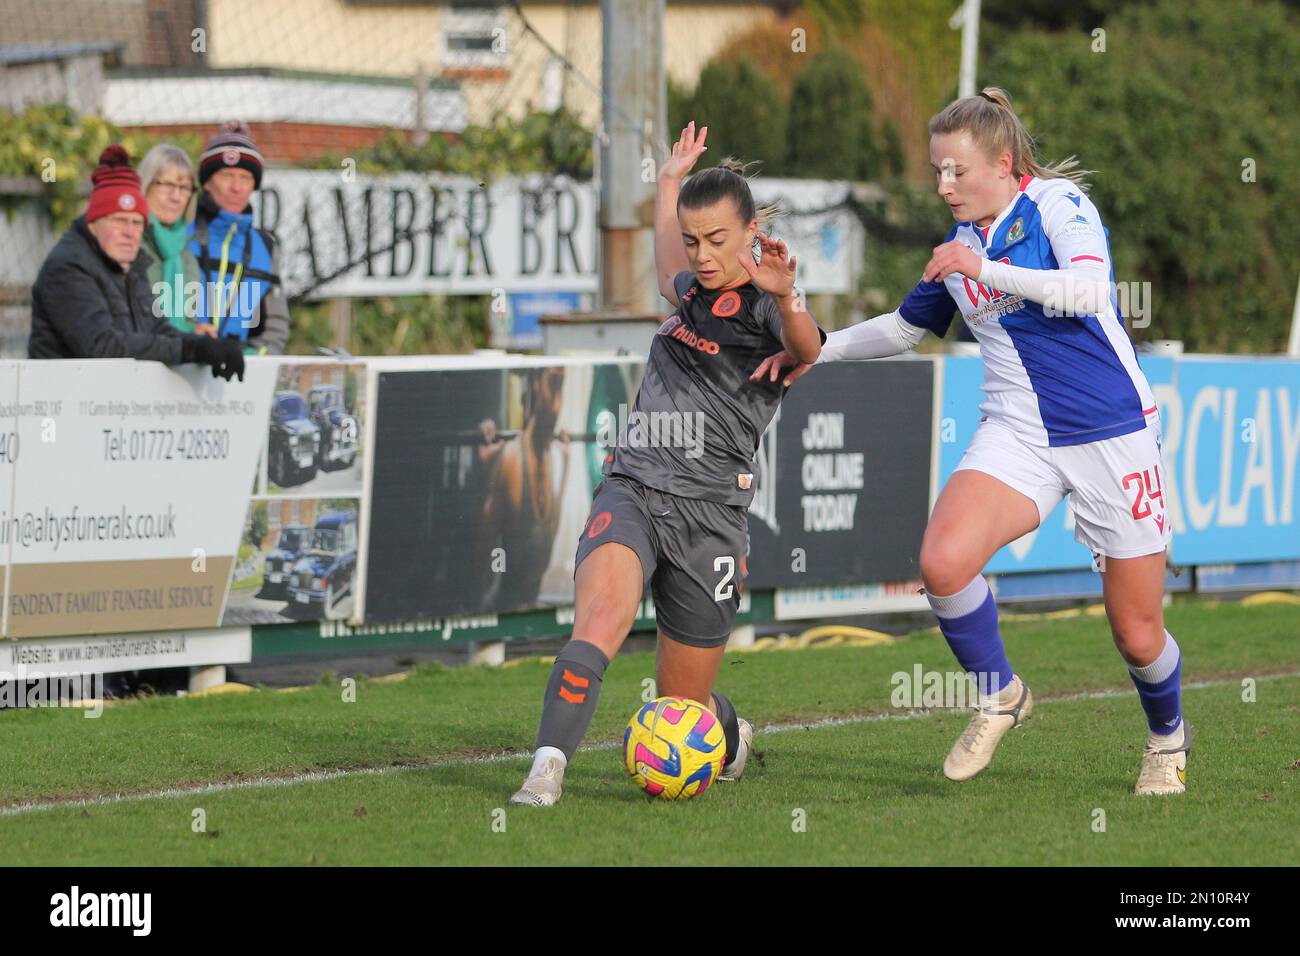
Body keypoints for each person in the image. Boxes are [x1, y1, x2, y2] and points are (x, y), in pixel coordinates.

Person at [754, 88, 1186, 795]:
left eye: (956, 171)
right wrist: (819, 350)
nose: (943, 185)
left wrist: (980, 269)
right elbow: (901, 328)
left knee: (1137, 634)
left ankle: (1167, 738)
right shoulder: (959, 249)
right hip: (1017, 430)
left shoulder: (1054, 204)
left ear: (1004, 165)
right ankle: (1001, 694)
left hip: (1110, 430)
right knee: (944, 562)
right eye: (937, 172)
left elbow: (1088, 292)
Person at [510, 122, 825, 806]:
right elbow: (662, 270)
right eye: (694, 242)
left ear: (748, 234)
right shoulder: (690, 292)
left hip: (712, 515)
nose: (703, 257)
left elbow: (809, 347)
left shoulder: (768, 308)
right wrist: (668, 184)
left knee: (684, 708)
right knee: (599, 621)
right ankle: (546, 769)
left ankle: (731, 736)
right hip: (636, 485)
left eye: (717, 241)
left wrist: (786, 295)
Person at [28, 144, 245, 381]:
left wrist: (205, 345)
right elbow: (102, 346)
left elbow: (157, 329)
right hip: (61, 402)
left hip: (109, 401)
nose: (130, 233)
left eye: (137, 223)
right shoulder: (68, 268)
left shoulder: (129, 264)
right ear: (94, 223)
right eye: (119, 221)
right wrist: (189, 350)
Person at [190, 120, 291, 355]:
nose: (236, 187)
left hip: (242, 373)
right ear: (207, 182)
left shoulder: (265, 247)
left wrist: (254, 360)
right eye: (226, 175)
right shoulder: (180, 237)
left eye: (245, 178)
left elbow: (276, 326)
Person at [137, 143, 212, 337]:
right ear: (145, 185)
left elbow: (186, 321)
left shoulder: (186, 256)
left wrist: (194, 332)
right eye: (167, 185)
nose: (176, 196)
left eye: (184, 187)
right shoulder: (128, 243)